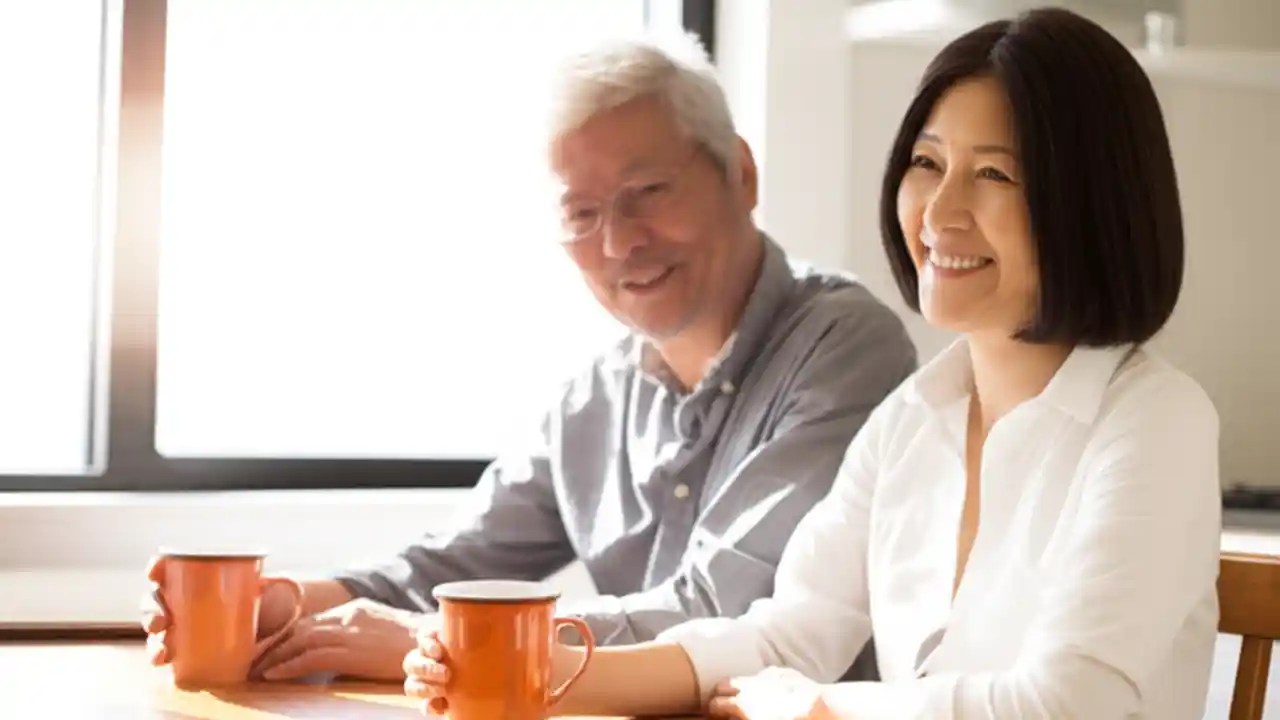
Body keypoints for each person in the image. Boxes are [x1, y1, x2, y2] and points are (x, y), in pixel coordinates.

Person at [406, 8, 1223, 719]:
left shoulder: (1156, 423)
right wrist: (525, 672)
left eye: (994, 175)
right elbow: (781, 633)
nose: (938, 212)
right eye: (927, 163)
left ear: (1089, 202)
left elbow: (1062, 706)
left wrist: (820, 705)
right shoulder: (910, 420)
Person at [141, 33, 915, 683]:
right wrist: (287, 605)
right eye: (581, 213)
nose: (619, 243)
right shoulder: (593, 401)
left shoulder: (843, 345)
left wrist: (434, 643)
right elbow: (452, 562)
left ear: (740, 174)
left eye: (648, 191)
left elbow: (726, 609)